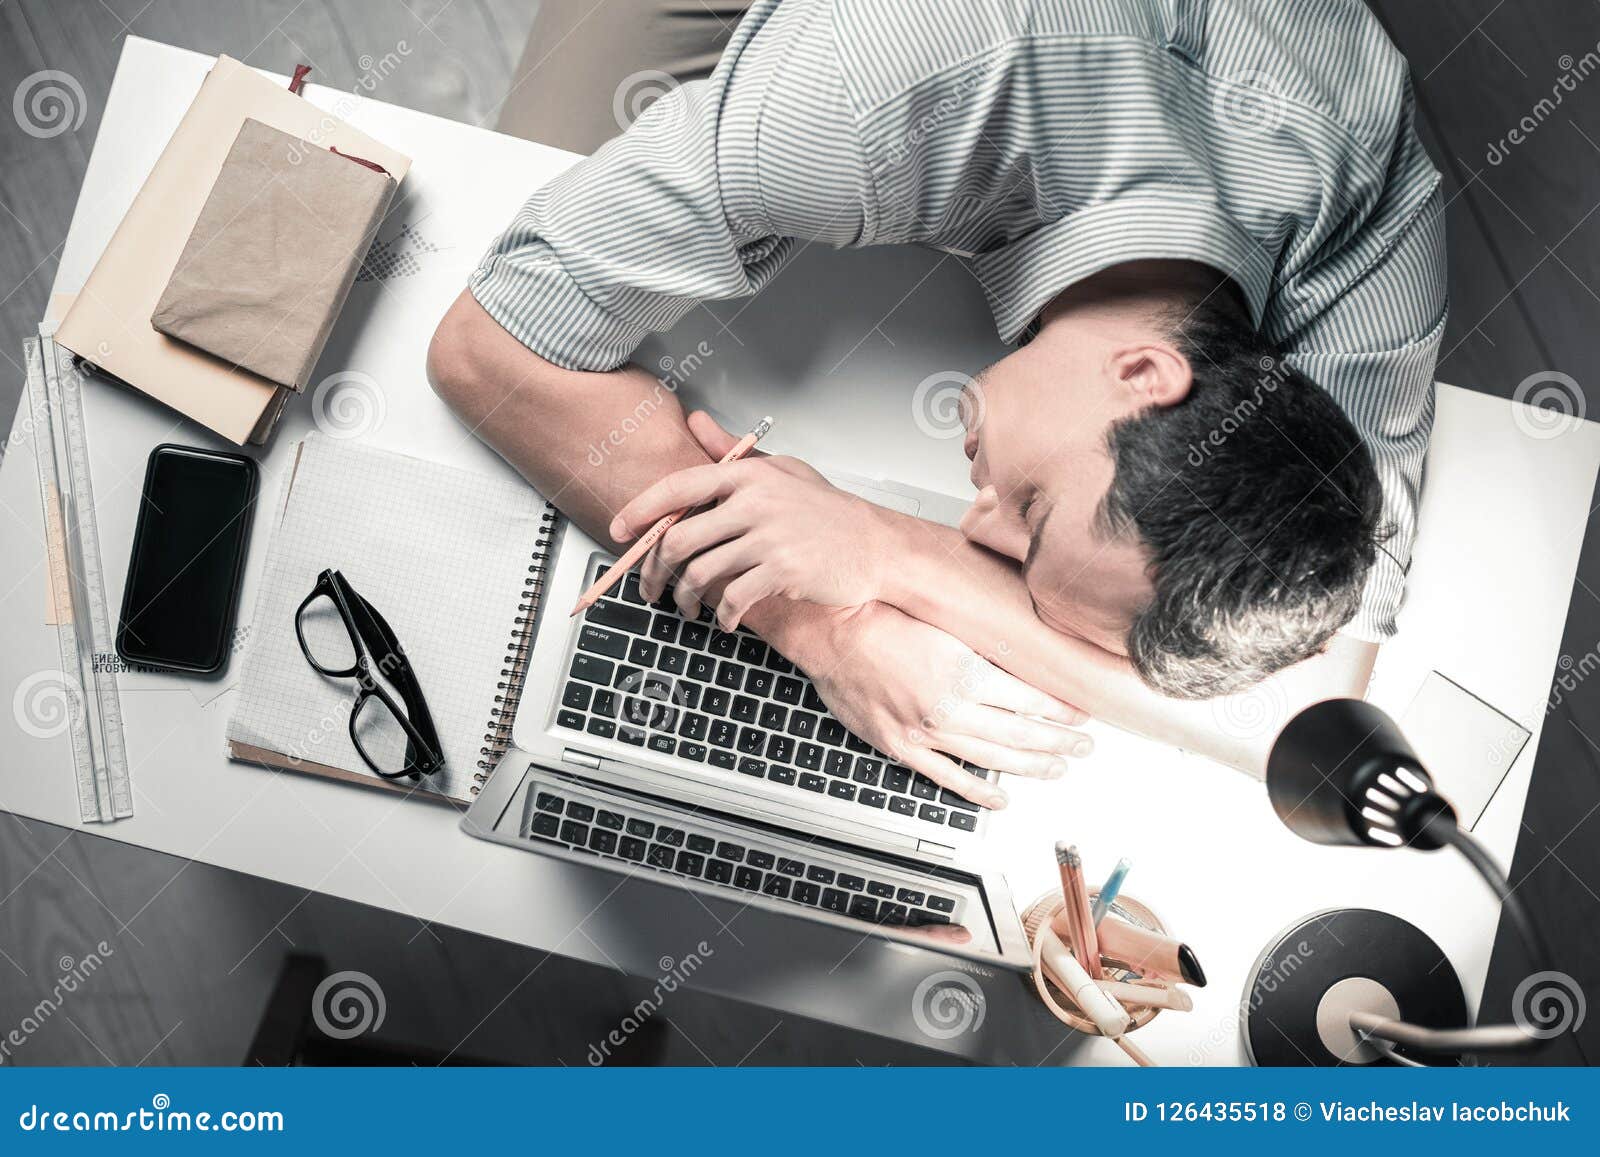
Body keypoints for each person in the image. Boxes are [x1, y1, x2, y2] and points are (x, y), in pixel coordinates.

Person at [428, 0, 1447, 805]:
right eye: (1030, 508)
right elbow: (489, 347)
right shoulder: (855, 106)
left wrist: (889, 554)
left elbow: (1312, 706)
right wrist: (821, 623)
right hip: (891, 63)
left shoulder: (1370, 193)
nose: (970, 528)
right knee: (509, 171)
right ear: (1143, 376)